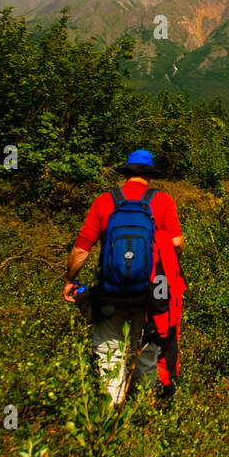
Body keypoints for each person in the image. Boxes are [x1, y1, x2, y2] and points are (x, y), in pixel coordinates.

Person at [63, 149, 186, 405]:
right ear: (149, 176)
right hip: (150, 294)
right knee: (147, 352)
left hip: (111, 293)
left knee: (110, 352)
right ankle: (139, 411)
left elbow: (82, 248)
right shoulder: (162, 201)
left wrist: (69, 279)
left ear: (127, 173)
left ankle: (109, 411)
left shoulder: (104, 201)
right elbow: (176, 242)